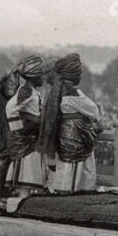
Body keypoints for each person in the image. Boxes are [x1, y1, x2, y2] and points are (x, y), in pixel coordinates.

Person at [38, 53, 101, 193]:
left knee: (63, 175)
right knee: (77, 179)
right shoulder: (73, 93)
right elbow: (95, 112)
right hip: (77, 143)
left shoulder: (54, 93)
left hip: (62, 142)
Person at [0, 55, 45, 201]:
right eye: (40, 75)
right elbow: (10, 108)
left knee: (29, 177)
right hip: (27, 142)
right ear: (34, 76)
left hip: (30, 140)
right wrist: (18, 129)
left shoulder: (30, 90)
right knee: (27, 177)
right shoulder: (27, 90)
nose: (43, 78)